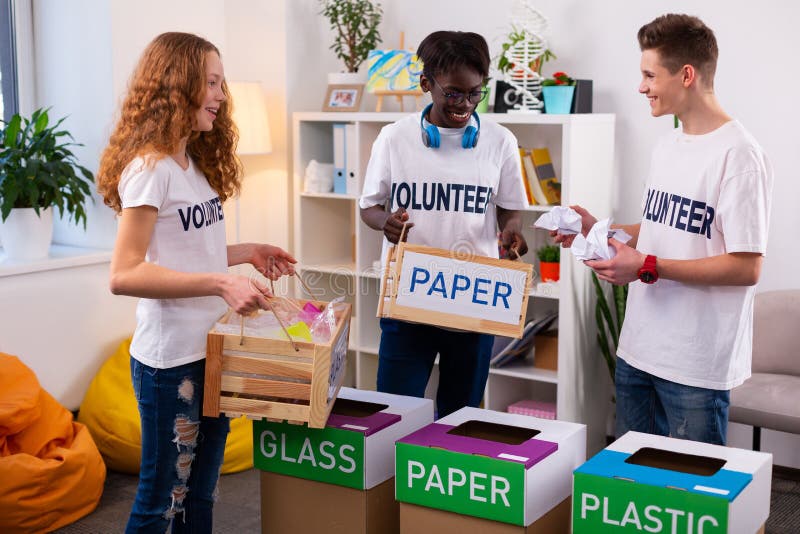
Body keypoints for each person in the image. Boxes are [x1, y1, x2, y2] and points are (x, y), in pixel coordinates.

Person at [96, 32, 296, 533]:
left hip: (211, 351)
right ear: (177, 85)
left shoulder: (195, 164)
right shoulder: (150, 168)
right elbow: (125, 273)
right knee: (162, 500)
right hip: (171, 365)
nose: (221, 95)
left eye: (221, 84)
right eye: (211, 83)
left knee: (201, 497)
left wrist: (246, 253)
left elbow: (187, 251)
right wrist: (219, 283)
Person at [555, 14, 773, 445]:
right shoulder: (669, 144)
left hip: (694, 366)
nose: (641, 87)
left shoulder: (740, 155)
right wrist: (601, 228)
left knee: (691, 497)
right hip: (637, 350)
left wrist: (648, 266)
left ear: (686, 75)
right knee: (631, 488)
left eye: (649, 75)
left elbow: (747, 266)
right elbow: (661, 227)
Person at [359, 30, 529, 418]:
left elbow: (508, 208)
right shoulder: (393, 139)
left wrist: (511, 230)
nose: (465, 104)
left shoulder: (500, 141)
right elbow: (368, 207)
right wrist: (385, 222)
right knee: (394, 412)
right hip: (408, 300)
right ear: (426, 84)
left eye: (475, 93)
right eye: (453, 93)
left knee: (460, 418)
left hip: (473, 298)